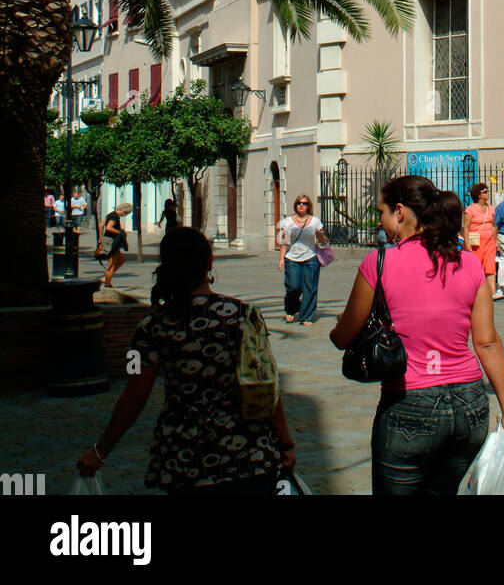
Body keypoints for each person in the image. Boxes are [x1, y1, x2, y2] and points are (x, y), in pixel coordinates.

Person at [331, 174, 504, 496]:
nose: (382, 221)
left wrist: (343, 322)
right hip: (470, 403)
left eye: (382, 213)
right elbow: (486, 342)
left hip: (410, 402)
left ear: (400, 212)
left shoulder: (378, 263)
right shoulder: (470, 264)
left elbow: (342, 338)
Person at [76, 227, 296, 494]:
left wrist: (101, 450)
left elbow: (134, 394)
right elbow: (267, 385)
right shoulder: (244, 317)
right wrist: (285, 443)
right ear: (209, 262)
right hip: (249, 457)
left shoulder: (150, 326)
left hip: (186, 459)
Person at [277, 194, 329, 325]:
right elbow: (284, 242)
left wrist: (320, 236)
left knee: (310, 287)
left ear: (308, 206)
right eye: (299, 202)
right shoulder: (287, 222)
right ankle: (291, 308)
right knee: (293, 286)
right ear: (295, 205)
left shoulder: (315, 221)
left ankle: (306, 317)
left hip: (310, 257)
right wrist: (281, 259)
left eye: (304, 203)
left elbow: (323, 240)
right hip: (292, 258)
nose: (301, 205)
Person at [462, 182, 499, 298]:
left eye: (487, 191)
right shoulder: (470, 210)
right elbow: (466, 227)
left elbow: (494, 226)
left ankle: (493, 291)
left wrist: (496, 240)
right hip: (475, 243)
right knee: (477, 266)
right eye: (485, 192)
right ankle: (475, 290)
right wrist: (466, 242)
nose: (488, 193)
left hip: (489, 241)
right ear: (478, 195)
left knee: (490, 265)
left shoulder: (491, 209)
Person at [101, 202, 133, 287]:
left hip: (108, 240)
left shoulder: (110, 214)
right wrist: (120, 232)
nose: (125, 215)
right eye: (126, 213)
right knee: (111, 264)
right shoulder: (114, 216)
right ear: (123, 211)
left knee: (121, 260)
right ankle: (107, 283)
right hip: (111, 242)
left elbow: (101, 225)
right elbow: (108, 227)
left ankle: (106, 279)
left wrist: (100, 238)